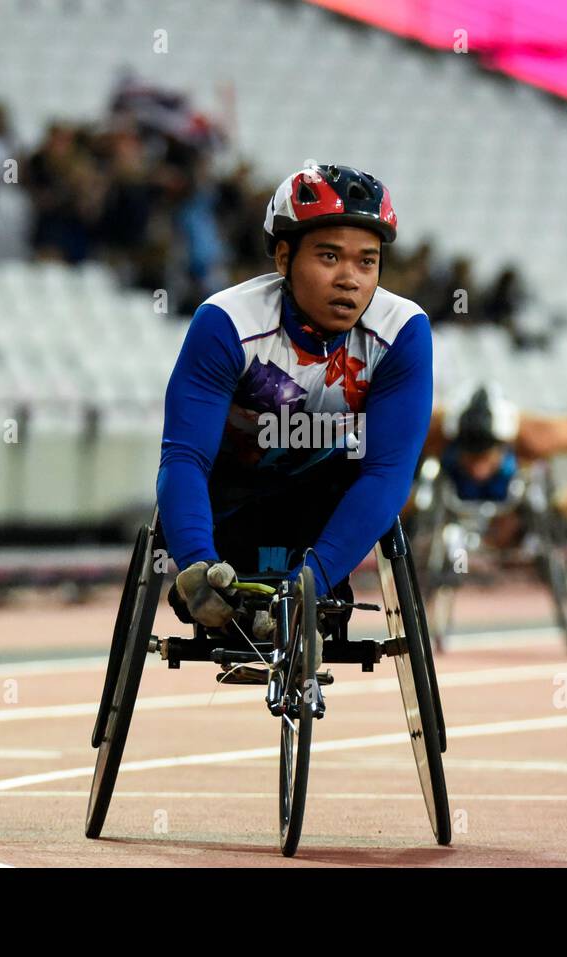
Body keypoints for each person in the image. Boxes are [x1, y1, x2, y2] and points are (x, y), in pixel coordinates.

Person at [156, 164, 432, 638]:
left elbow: (387, 475)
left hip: (322, 509)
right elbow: (183, 457)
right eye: (329, 257)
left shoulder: (402, 331)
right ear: (284, 257)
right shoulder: (225, 322)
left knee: (357, 469)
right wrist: (197, 563)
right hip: (230, 503)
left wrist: (314, 580)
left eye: (367, 261)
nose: (351, 279)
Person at [415, 384, 567, 543]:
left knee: (517, 523)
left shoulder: (535, 437)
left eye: (486, 457)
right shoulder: (432, 432)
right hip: (453, 485)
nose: (478, 469)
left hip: (512, 498)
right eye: (470, 456)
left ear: (506, 442)